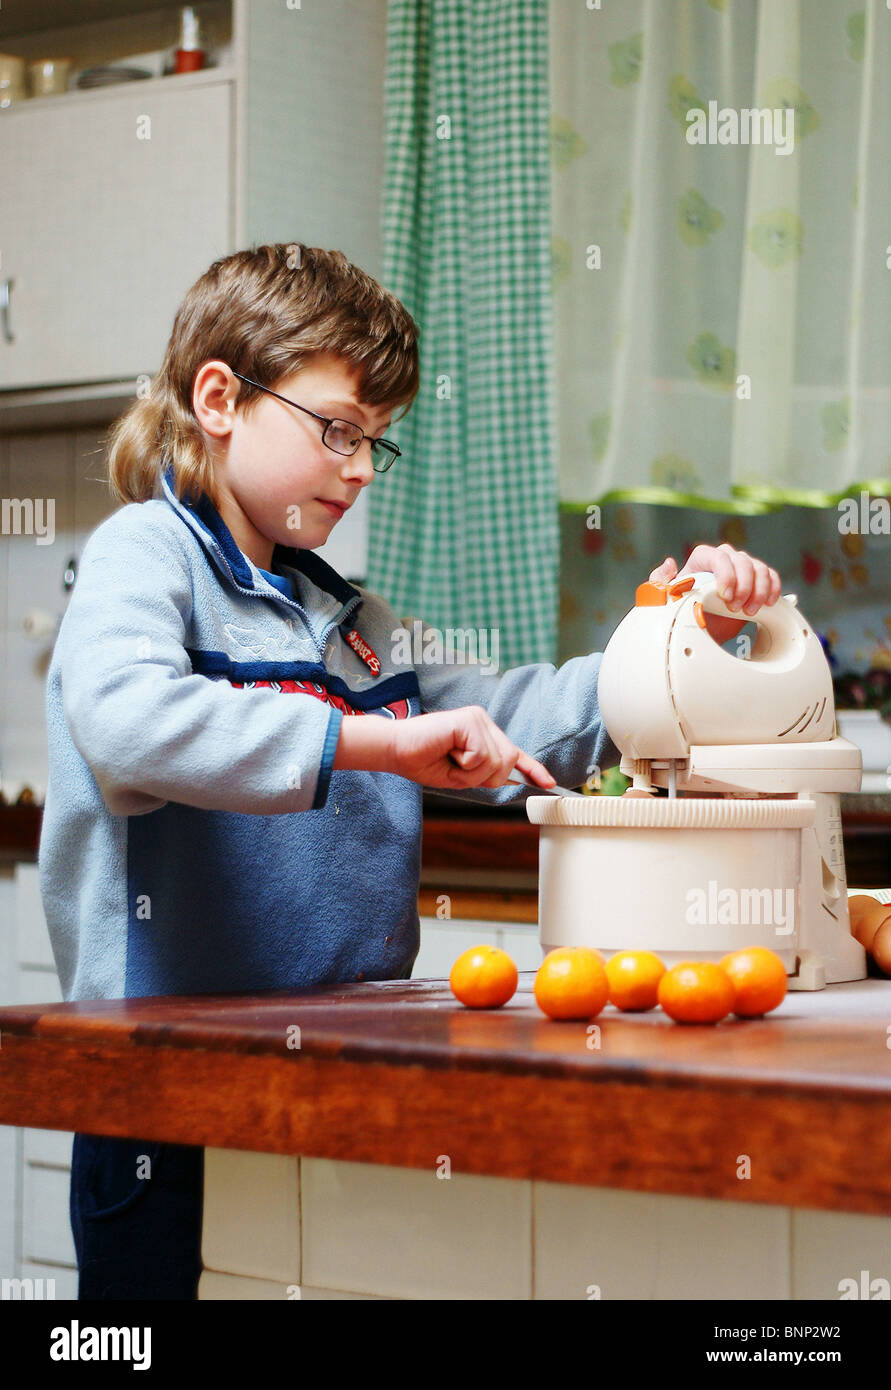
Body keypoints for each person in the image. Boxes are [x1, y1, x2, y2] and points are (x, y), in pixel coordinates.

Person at [38, 243, 782, 1299]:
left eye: (374, 444)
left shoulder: (353, 617)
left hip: (333, 1076)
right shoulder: (143, 556)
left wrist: (679, 634)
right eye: (337, 429)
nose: (355, 467)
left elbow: (520, 711)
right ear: (219, 397)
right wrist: (365, 738)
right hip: (167, 1100)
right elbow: (129, 724)